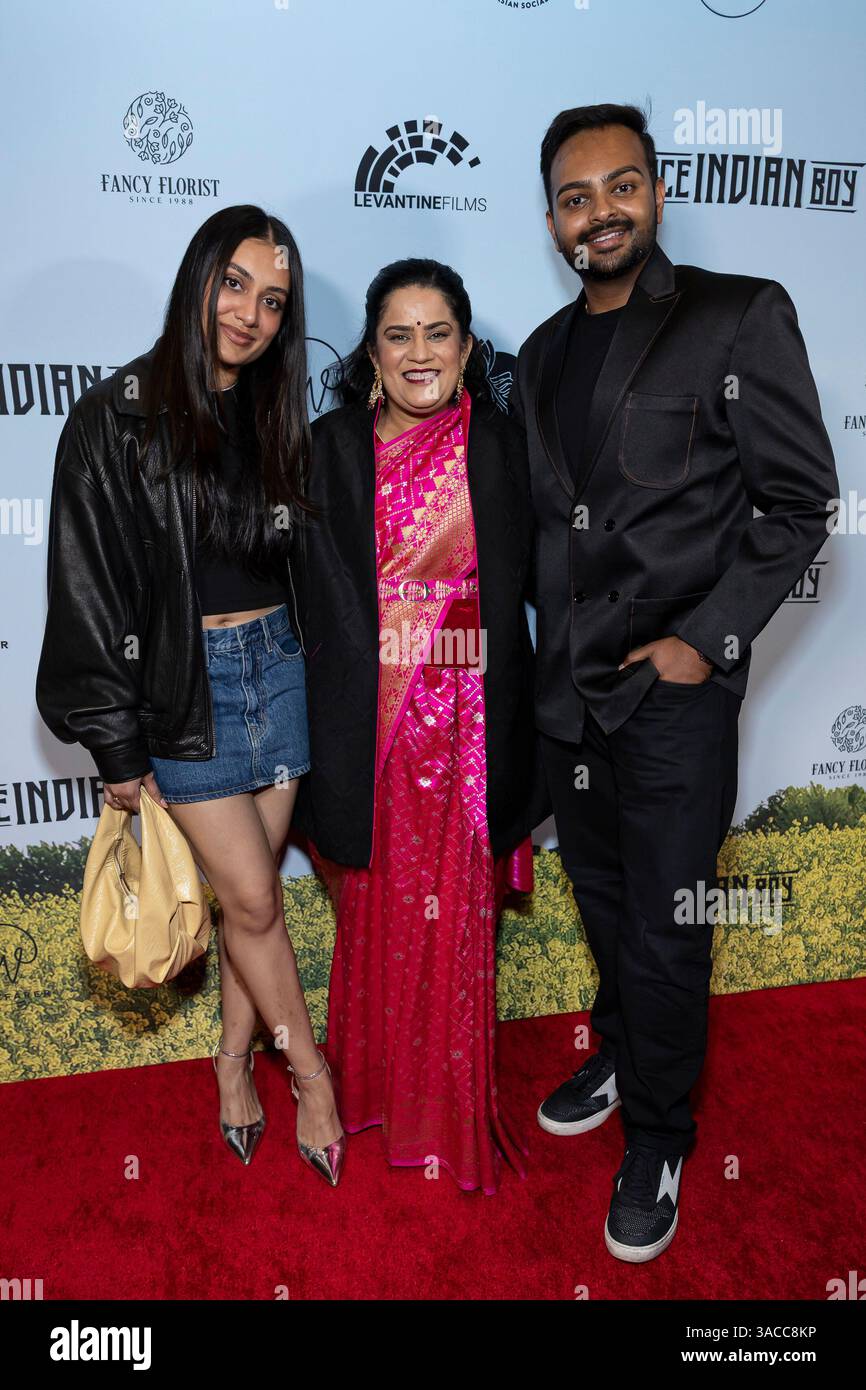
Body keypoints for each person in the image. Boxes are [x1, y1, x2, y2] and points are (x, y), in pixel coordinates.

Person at [510, 104, 839, 1259]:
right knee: (604, 904)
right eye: (571, 196)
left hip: (671, 700)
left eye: (618, 186)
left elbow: (802, 499)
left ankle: (658, 1130)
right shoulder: (541, 357)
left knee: (665, 925)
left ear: (656, 191)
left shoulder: (734, 315)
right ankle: (622, 1047)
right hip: (569, 701)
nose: (597, 212)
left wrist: (703, 640)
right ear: (549, 217)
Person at [35, 204, 345, 1187]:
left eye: (274, 298)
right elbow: (83, 584)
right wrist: (117, 747)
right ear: (197, 275)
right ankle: (310, 1075)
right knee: (254, 902)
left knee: (246, 906)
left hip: (278, 674)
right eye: (235, 282)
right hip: (188, 694)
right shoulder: (112, 414)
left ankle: (228, 1061)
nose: (250, 312)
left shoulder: (270, 409)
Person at [292, 258, 550, 1195]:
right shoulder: (326, 449)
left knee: (453, 929)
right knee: (378, 918)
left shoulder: (505, 445)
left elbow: (544, 580)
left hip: (473, 726)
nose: (419, 353)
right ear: (370, 352)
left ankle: (446, 1103)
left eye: (437, 333)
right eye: (397, 335)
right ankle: (369, 1093)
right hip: (371, 731)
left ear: (468, 347)